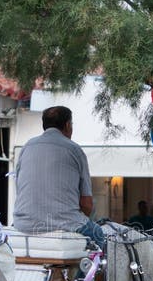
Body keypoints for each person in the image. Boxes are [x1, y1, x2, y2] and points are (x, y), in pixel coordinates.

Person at [13, 105, 105, 250]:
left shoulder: (26, 147)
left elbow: (19, 189)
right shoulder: (74, 149)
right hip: (64, 223)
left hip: (23, 223)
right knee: (98, 233)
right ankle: (85, 273)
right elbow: (87, 204)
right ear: (68, 125)